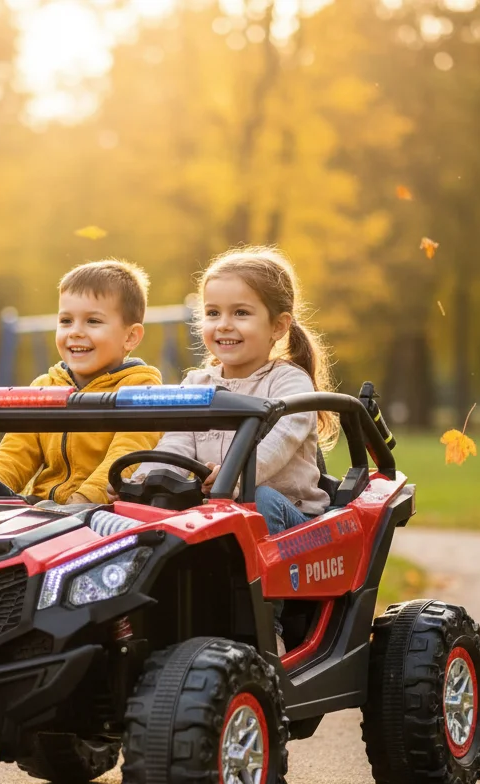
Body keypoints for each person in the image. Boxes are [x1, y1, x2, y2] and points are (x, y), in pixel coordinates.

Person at [121, 246, 338, 655]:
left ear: (278, 326)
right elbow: (175, 441)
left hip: (293, 524)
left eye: (241, 313)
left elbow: (282, 437)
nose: (224, 325)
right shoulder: (197, 383)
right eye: (213, 313)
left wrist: (235, 475)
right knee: (158, 504)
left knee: (260, 500)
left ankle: (265, 629)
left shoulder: (288, 383)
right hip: (218, 512)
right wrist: (141, 482)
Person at [0, 260, 162, 505]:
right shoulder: (46, 386)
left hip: (102, 510)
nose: (75, 332)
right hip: (45, 507)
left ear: (130, 336)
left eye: (93, 321)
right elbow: (16, 452)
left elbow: (127, 455)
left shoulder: (140, 388)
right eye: (66, 321)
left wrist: (84, 499)